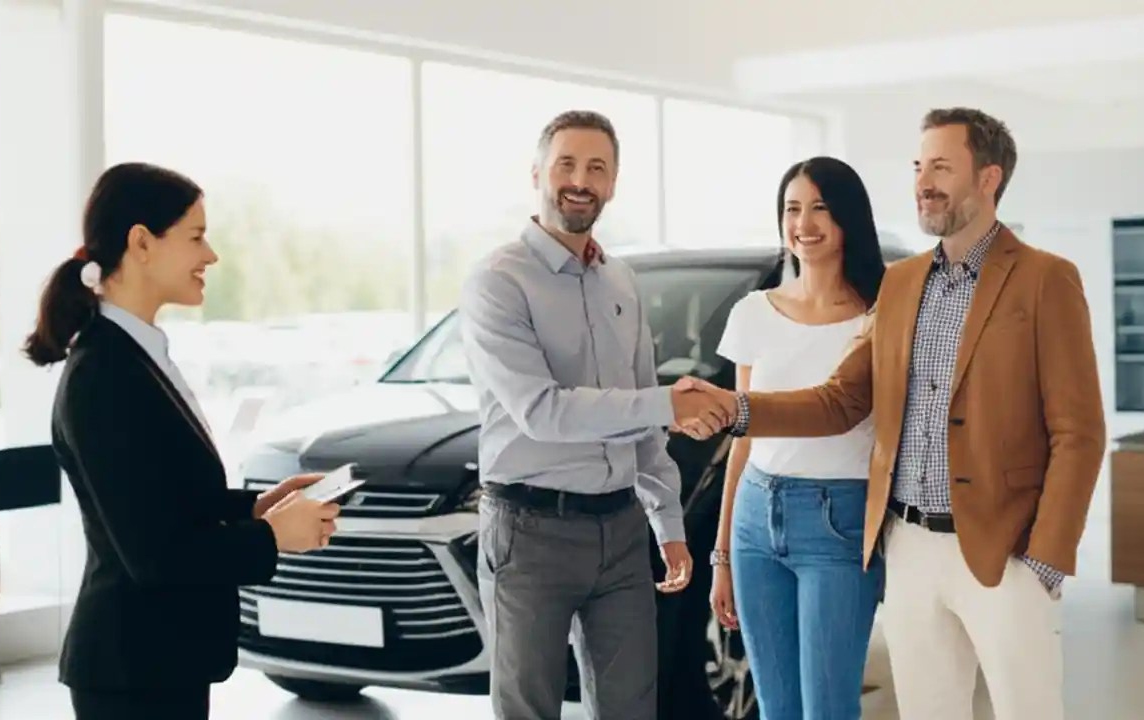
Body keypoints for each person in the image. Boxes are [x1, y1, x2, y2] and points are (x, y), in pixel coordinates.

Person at [679, 108, 1107, 720]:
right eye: (917, 167)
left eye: (941, 166)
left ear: (988, 179)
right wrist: (734, 407)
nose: (923, 182)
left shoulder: (1045, 279)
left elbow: (1080, 432)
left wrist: (1045, 557)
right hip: (907, 547)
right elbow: (841, 399)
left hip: (1003, 550)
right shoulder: (902, 284)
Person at [25, 162, 342, 720]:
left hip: (161, 662)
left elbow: (163, 498)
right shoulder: (104, 373)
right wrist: (271, 536)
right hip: (131, 672)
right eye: (196, 236)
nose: (211, 256)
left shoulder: (138, 355)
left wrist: (256, 506)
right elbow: (154, 554)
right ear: (141, 243)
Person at [459, 110, 729, 720]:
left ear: (612, 184)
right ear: (537, 174)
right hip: (529, 533)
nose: (581, 180)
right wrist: (668, 402)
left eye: (597, 168)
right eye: (567, 165)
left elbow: (638, 417)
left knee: (632, 707)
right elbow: (542, 411)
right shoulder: (497, 282)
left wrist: (668, 521)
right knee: (529, 709)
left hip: (621, 532)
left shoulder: (620, 281)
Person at [708, 157, 887, 720]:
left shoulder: (879, 316)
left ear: (848, 219)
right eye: (791, 208)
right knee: (776, 708)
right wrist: (722, 555)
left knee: (828, 710)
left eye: (819, 207)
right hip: (755, 517)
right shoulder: (753, 313)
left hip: (839, 520)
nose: (803, 223)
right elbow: (743, 437)